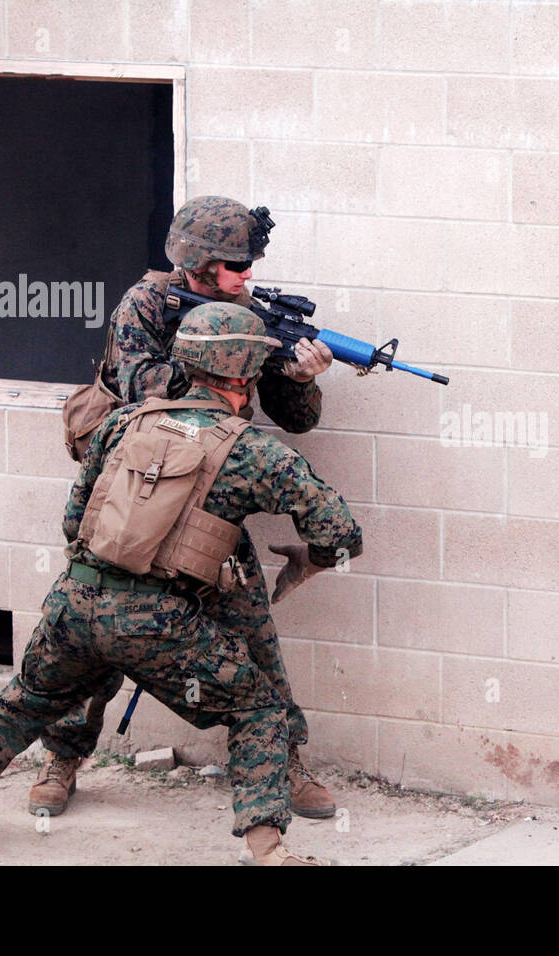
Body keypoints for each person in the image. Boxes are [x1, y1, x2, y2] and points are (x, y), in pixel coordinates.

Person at [0, 303, 363, 866]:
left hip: (75, 604)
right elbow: (340, 534)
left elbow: (74, 522)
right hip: (164, 625)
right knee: (258, 710)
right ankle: (270, 852)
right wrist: (303, 563)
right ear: (246, 375)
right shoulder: (256, 452)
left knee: (28, 699)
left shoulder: (122, 422)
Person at [32, 196, 338, 821]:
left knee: (251, 631)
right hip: (138, 493)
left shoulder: (253, 315)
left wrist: (297, 373)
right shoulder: (146, 307)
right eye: (234, 266)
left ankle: (284, 760)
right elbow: (146, 390)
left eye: (250, 264)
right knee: (97, 628)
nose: (246, 276)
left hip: (214, 497)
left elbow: (297, 420)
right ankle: (62, 755)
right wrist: (222, 349)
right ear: (198, 265)